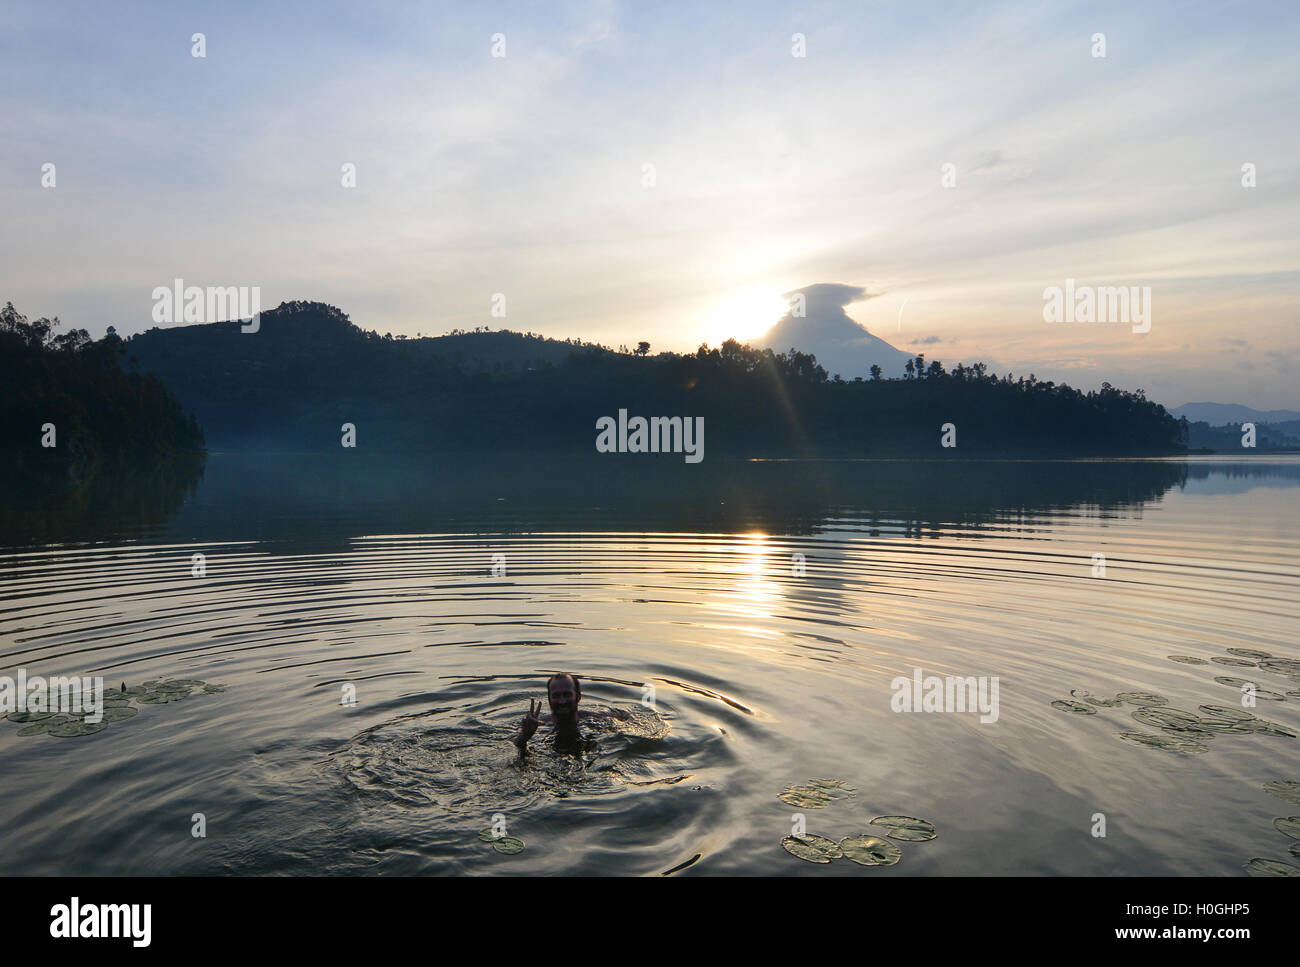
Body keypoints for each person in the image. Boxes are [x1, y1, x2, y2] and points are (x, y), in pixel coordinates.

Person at [512, 673, 619, 751]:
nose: (562, 701)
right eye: (556, 696)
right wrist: (524, 737)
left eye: (567, 695)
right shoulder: (538, 726)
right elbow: (511, 744)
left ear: (578, 697)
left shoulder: (597, 718)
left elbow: (624, 717)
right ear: (549, 699)